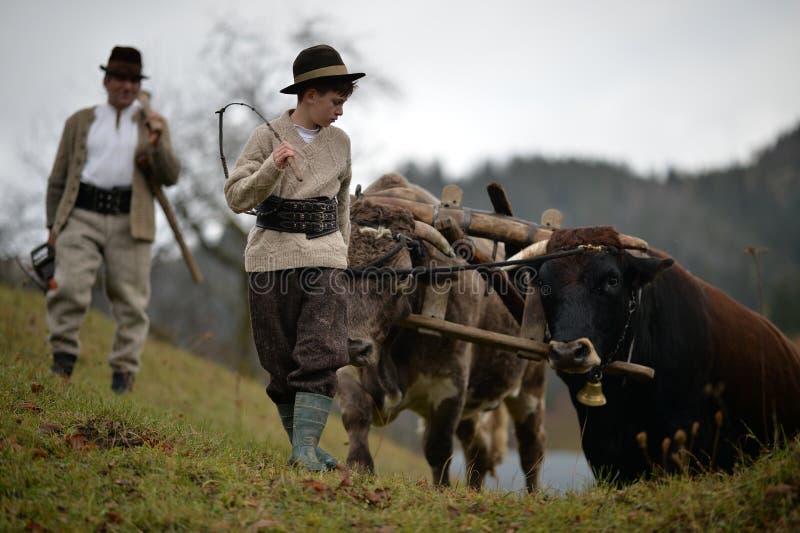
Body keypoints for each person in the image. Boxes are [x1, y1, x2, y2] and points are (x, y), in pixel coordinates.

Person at [224, 44, 363, 471]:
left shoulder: (340, 143)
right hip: (271, 260)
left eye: (343, 103)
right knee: (280, 361)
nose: (340, 111)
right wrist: (271, 167)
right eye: (335, 102)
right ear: (308, 95)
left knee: (321, 351)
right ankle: (305, 448)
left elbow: (342, 205)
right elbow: (235, 197)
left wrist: (343, 254)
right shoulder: (266, 136)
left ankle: (303, 450)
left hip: (325, 258)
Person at [45, 46, 180, 394]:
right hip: (81, 215)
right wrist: (52, 225)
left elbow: (170, 175)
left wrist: (158, 143)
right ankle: (62, 363)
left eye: (134, 80)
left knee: (132, 303)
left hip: (130, 220)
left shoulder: (152, 123)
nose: (127, 86)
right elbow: (58, 178)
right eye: (120, 78)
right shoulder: (80, 121)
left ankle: (123, 377)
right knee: (70, 287)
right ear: (106, 80)